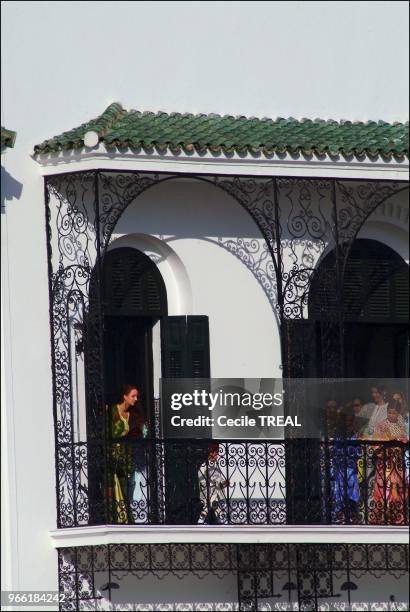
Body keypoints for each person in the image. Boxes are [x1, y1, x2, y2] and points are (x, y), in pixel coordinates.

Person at [106, 384, 140, 524]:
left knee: (127, 489)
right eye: (133, 396)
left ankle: (127, 518)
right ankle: (115, 518)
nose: (136, 399)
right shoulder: (112, 412)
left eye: (136, 396)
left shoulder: (133, 414)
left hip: (126, 457)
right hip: (112, 457)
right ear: (124, 397)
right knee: (114, 489)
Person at [371, 401, 408, 525]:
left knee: (397, 490)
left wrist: (400, 443)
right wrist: (387, 445)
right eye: (389, 412)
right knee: (384, 489)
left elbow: (405, 441)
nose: (391, 415)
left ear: (398, 413)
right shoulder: (380, 425)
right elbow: (375, 445)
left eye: (394, 413)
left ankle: (397, 517)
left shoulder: (401, 425)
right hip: (385, 463)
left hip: (397, 464)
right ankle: (381, 517)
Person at [330, 410, 361, 524]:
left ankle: (352, 515)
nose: (348, 423)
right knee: (340, 490)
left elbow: (358, 452)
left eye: (351, 421)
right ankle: (340, 515)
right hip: (340, 468)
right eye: (347, 421)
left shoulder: (355, 434)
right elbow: (334, 451)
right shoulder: (337, 435)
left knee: (352, 489)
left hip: (351, 468)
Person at [197, 442, 228, 524]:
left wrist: (224, 483)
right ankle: (202, 518)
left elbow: (219, 480)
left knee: (216, 505)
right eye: (213, 452)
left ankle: (220, 519)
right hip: (208, 492)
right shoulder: (204, 466)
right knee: (211, 502)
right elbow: (204, 481)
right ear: (209, 453)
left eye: (217, 452)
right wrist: (218, 484)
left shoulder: (216, 466)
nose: (216, 455)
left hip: (216, 493)